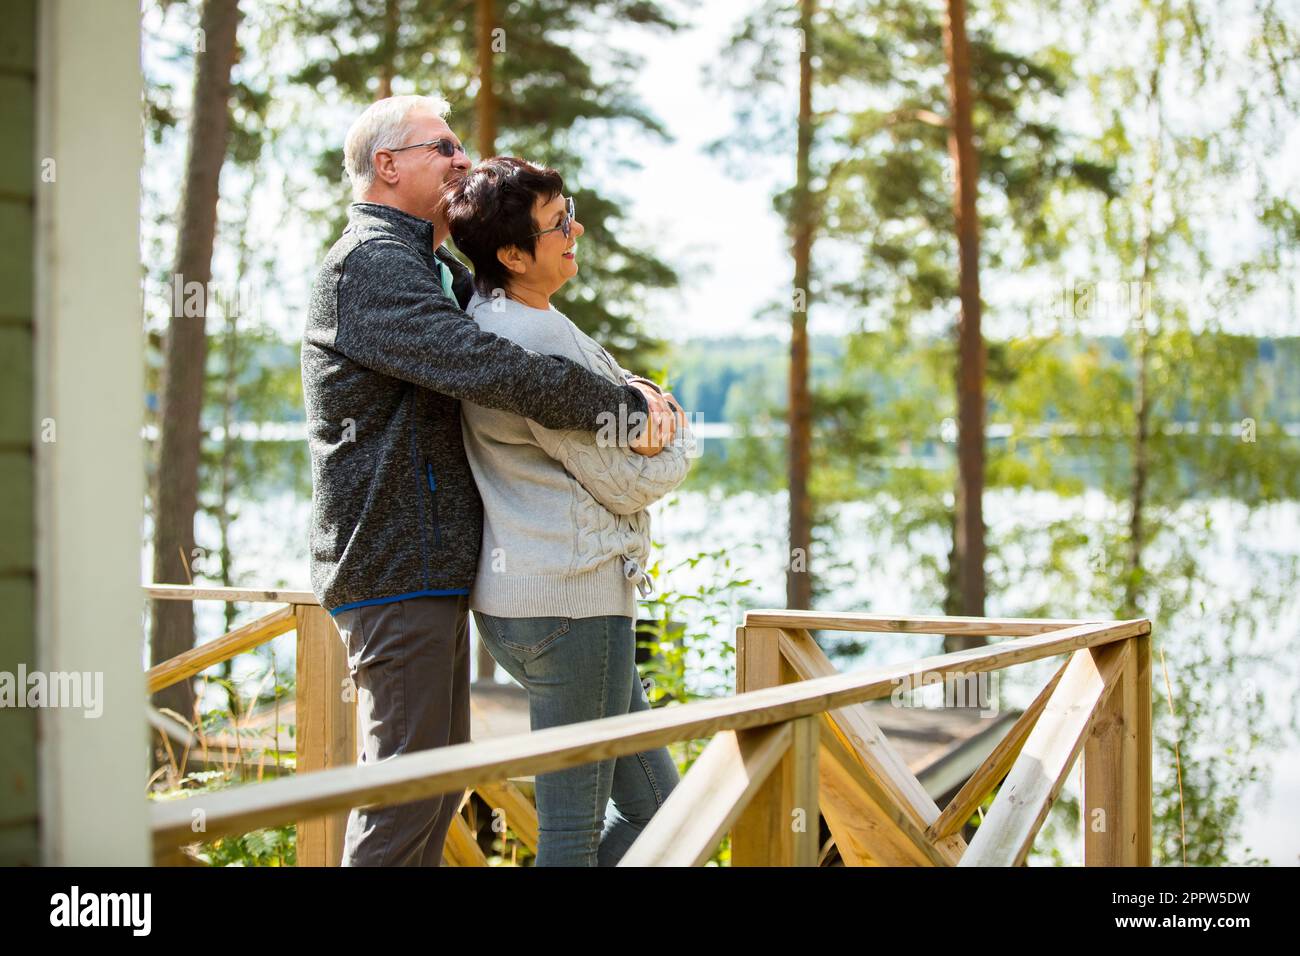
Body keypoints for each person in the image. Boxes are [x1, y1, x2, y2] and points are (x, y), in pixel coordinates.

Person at [301, 94, 677, 867]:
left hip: (439, 567)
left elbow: (528, 349)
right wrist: (625, 408)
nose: (462, 160)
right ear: (387, 165)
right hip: (393, 565)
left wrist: (624, 385)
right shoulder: (367, 265)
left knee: (434, 789)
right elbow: (491, 366)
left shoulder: (430, 265)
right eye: (443, 148)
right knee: (408, 792)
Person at [446, 156, 694, 866]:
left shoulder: (489, 320)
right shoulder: (538, 340)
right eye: (558, 224)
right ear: (512, 254)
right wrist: (678, 439)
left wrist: (643, 407)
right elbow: (627, 482)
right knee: (571, 833)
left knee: (665, 810)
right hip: (574, 605)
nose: (575, 229)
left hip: (520, 606)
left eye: (570, 210)